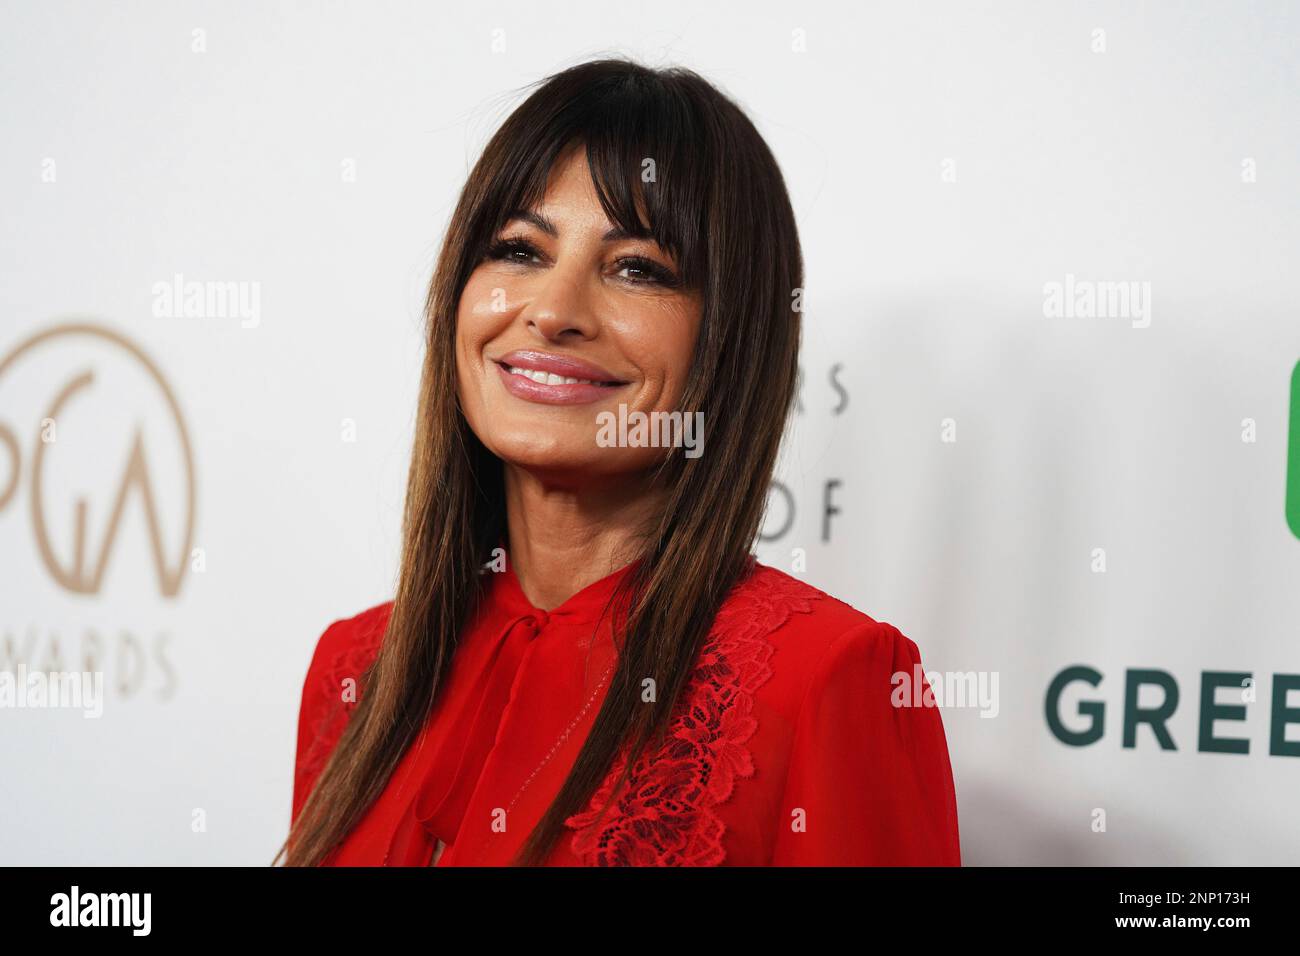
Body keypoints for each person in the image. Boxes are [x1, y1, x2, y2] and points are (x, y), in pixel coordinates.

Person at [277, 57, 960, 867]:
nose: (553, 312)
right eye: (519, 250)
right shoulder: (356, 665)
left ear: (731, 337)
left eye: (638, 268)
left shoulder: (828, 679)